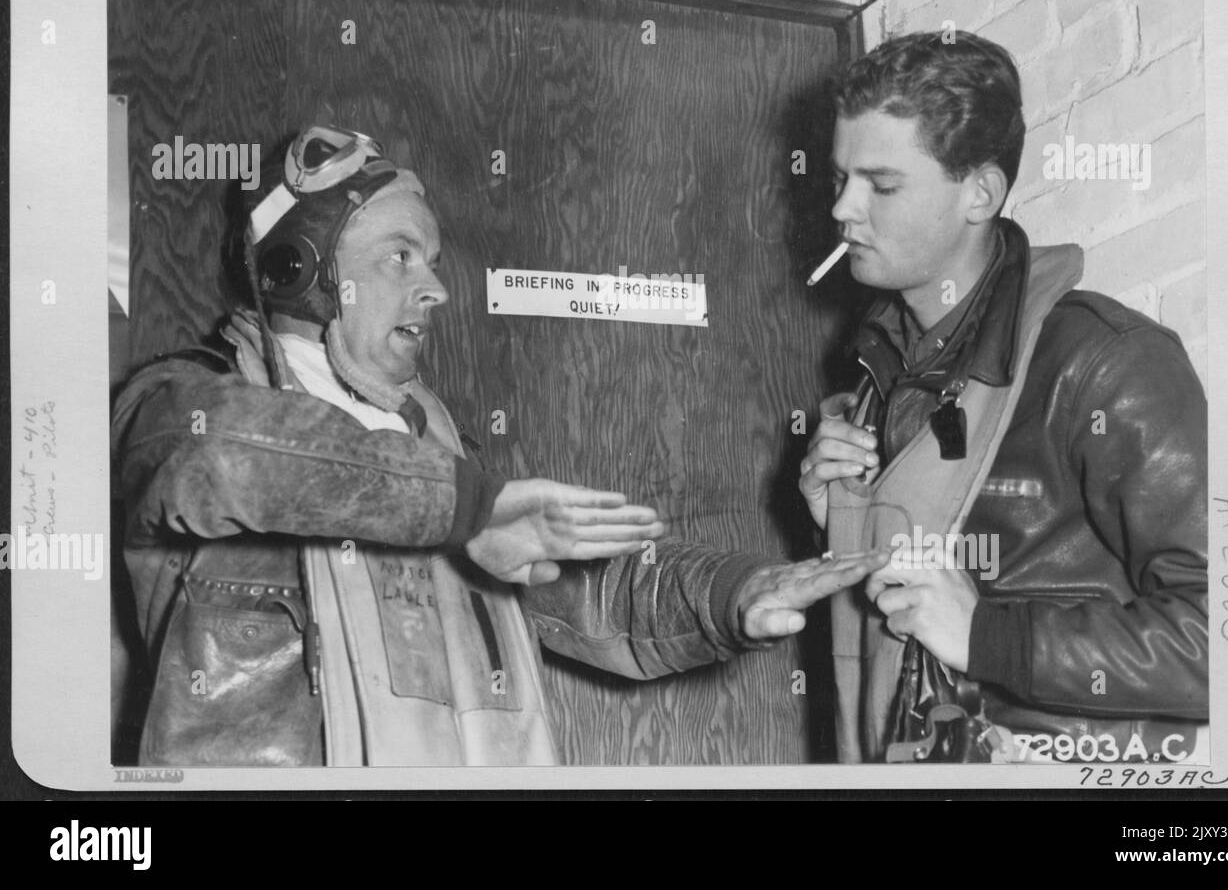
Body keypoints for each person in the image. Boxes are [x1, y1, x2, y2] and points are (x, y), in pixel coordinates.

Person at [112, 125, 879, 767]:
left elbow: (593, 585)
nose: (436, 289)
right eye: (399, 256)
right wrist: (469, 507)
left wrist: (735, 594)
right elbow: (225, 460)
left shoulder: (445, 458)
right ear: (296, 272)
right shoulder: (181, 406)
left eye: (433, 263)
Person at [798, 32, 1208, 763]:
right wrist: (842, 517)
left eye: (881, 185)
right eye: (838, 179)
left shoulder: (1101, 361)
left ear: (979, 193)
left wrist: (991, 635)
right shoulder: (876, 381)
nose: (844, 210)